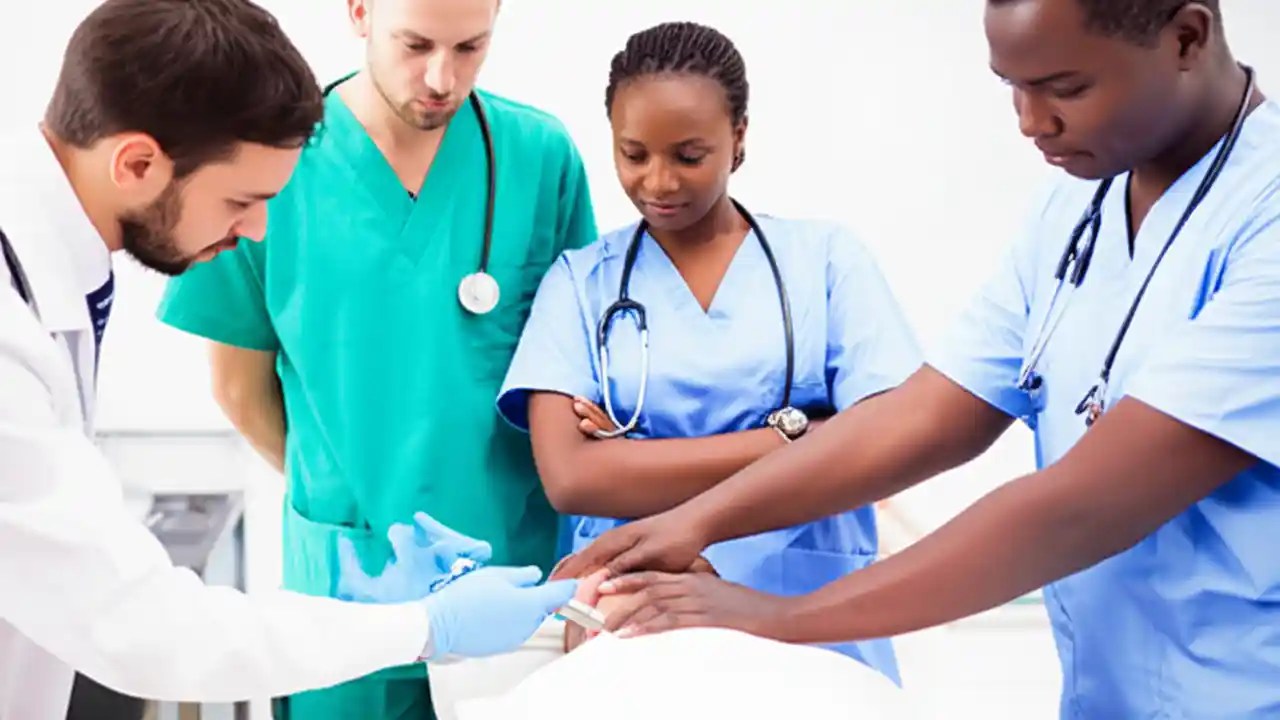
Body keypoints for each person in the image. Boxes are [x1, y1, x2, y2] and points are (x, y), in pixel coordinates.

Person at [556, 1, 1280, 716]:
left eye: (1065, 89)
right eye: (1012, 87)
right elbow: (930, 414)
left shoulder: (1265, 216)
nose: (1030, 122)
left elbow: (1083, 505)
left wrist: (778, 618)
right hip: (1107, 693)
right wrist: (694, 523)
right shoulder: (1075, 212)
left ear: (1187, 36)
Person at [0, 2, 578, 720]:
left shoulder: (46, 277)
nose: (259, 229)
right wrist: (423, 625)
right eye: (243, 200)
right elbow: (139, 623)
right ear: (138, 163)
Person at [496, 22, 921, 682]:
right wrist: (794, 439)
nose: (658, 182)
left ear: (739, 138)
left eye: (688, 156)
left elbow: (892, 442)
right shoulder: (582, 283)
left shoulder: (827, 262)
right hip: (637, 611)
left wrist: (634, 462)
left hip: (807, 613)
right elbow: (572, 478)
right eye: (633, 154)